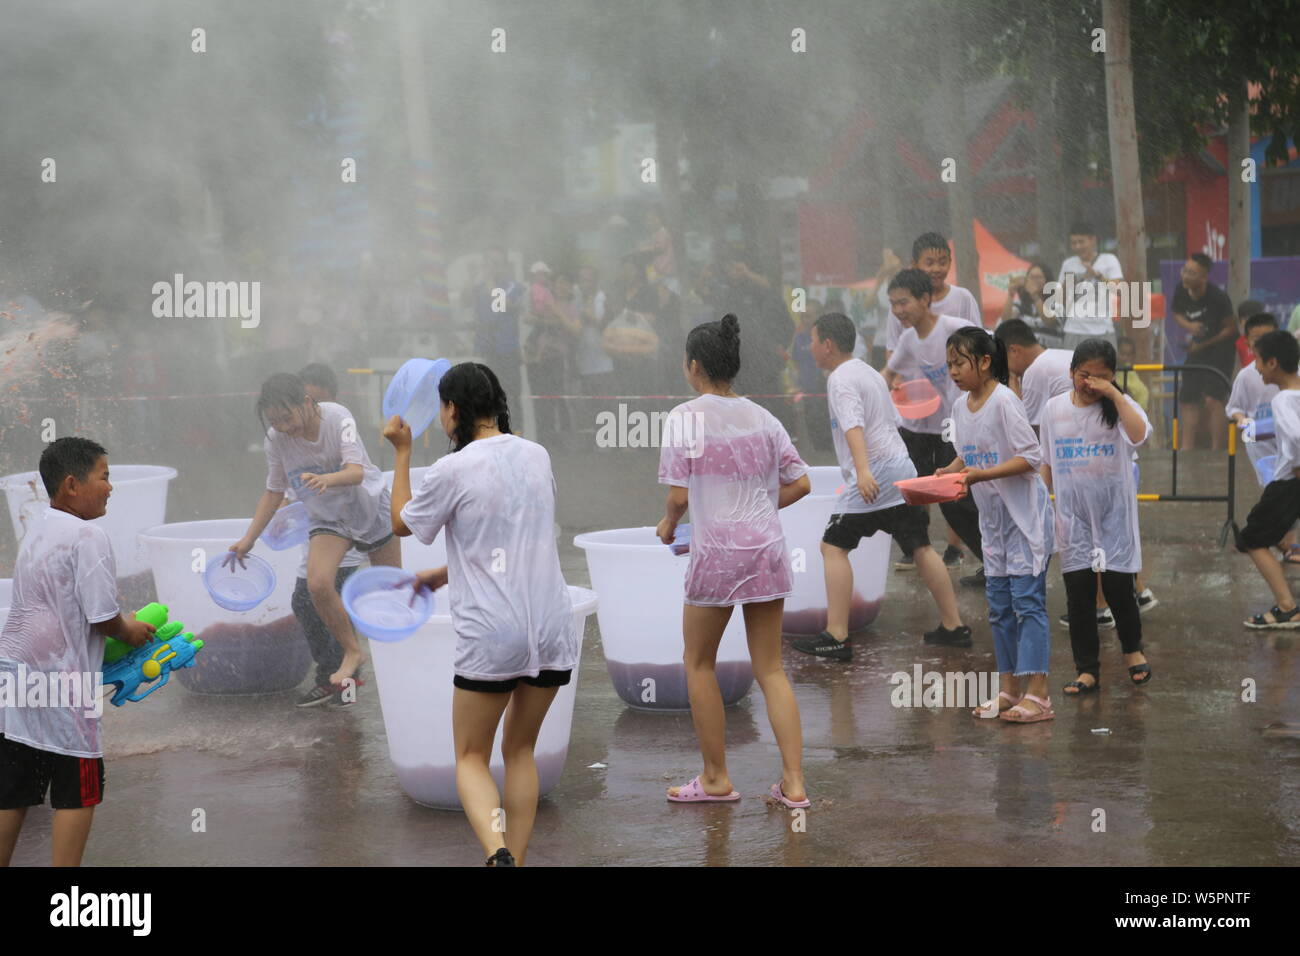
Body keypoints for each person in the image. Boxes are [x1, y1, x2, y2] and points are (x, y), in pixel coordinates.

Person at [384, 363, 573, 866]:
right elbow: (512, 541)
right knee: (520, 752)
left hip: (492, 633)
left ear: (452, 409)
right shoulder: (536, 454)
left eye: (443, 410)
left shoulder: (452, 468)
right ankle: (519, 860)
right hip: (552, 629)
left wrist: (402, 453)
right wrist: (444, 574)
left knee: (470, 756)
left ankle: (497, 853)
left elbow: (401, 522)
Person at [656, 314, 813, 808]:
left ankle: (717, 777)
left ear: (693, 366)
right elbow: (802, 482)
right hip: (766, 549)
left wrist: (665, 526)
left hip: (717, 553)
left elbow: (679, 498)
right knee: (770, 669)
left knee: (699, 662)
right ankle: (794, 784)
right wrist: (760, 510)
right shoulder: (763, 418)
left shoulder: (685, 417)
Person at [0, 438, 156, 866]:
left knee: (14, 788)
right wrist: (133, 629)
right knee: (75, 789)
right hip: (64, 685)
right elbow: (103, 616)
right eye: (104, 477)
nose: (110, 487)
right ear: (72, 484)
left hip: (16, 673)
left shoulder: (40, 527)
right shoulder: (89, 535)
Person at [792, 313, 969, 658]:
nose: (810, 348)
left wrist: (862, 471)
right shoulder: (869, 372)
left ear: (827, 344)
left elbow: (853, 426)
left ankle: (837, 635)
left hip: (875, 473)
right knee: (920, 546)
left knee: (833, 546)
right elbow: (895, 421)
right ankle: (954, 626)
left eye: (812, 341)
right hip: (900, 466)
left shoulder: (840, 379)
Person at [230, 373, 400, 687]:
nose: (283, 426)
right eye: (275, 420)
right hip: (329, 517)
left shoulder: (338, 417)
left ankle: (406, 658)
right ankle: (352, 651)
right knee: (318, 585)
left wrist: (326, 480)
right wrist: (248, 539)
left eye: (287, 416)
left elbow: (356, 471)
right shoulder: (275, 439)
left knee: (393, 592)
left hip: (368, 504)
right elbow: (274, 491)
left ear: (307, 403)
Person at [937, 327, 1054, 720]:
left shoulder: (1004, 401)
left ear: (985, 362)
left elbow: (1031, 457)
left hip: (1024, 518)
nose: (953, 371)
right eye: (949, 364)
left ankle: (1038, 696)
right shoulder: (958, 407)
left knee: (1027, 604)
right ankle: (1009, 690)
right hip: (994, 523)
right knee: (999, 608)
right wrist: (946, 473)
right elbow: (966, 454)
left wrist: (980, 475)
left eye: (960, 362)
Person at [1040, 339, 1153, 694]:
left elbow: (1140, 435)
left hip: (1113, 513)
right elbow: (1046, 460)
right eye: (1083, 375)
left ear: (1112, 377)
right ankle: (1087, 669)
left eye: (1100, 377)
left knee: (1120, 588)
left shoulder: (1119, 407)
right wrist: (1044, 505)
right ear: (1071, 372)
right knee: (1079, 594)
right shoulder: (1054, 408)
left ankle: (1132, 652)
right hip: (1073, 516)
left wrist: (1115, 396)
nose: (1089, 384)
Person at [883, 268, 985, 589]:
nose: (898, 310)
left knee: (962, 498)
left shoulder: (955, 329)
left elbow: (992, 354)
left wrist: (986, 404)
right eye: (893, 304)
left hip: (974, 421)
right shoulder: (910, 340)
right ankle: (995, 563)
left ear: (925, 299)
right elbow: (887, 373)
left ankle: (1001, 562)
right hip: (952, 425)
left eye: (904, 302)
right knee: (951, 500)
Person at [291, 363, 367, 707]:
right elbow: (288, 486)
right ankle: (338, 678)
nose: (310, 409)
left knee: (327, 603)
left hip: (344, 534)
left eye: (315, 401)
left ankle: (338, 682)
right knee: (305, 602)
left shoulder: (338, 426)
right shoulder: (294, 436)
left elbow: (356, 474)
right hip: (317, 532)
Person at [1239, 331, 1300, 628]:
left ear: (1273, 363)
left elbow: (1297, 438)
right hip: (1291, 480)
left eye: (1259, 361)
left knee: (1252, 538)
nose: (1257, 368)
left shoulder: (1282, 400)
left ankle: (1287, 607)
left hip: (1290, 481)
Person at [1170, 253, 1236, 450]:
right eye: (1185, 270)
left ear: (1204, 277)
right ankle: (1186, 449)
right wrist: (1189, 326)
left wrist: (1204, 344)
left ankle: (1217, 450)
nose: (1185, 276)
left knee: (1213, 400)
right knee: (1187, 398)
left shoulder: (1217, 297)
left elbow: (1231, 329)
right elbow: (1176, 313)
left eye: (1192, 273)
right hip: (1197, 349)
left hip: (1221, 350)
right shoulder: (1181, 290)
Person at [523, 264, 580, 446]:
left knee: (561, 398)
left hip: (561, 359)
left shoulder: (571, 306)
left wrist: (556, 312)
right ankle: (545, 438)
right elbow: (528, 318)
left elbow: (575, 329)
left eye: (566, 283)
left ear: (571, 287)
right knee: (542, 399)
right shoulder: (543, 300)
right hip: (540, 359)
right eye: (559, 283)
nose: (562, 286)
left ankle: (566, 440)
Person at [995, 319, 1072, 430]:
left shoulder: (1036, 370)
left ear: (1014, 351)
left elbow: (1025, 430)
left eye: (1003, 360)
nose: (1005, 368)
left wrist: (1012, 386)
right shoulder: (1058, 354)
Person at [1056, 223, 1123, 351]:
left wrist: (1097, 276)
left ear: (1093, 240)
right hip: (1073, 329)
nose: (1077, 246)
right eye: (1073, 243)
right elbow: (1061, 301)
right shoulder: (1068, 264)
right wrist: (1068, 285)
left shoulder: (1109, 260)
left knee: (1105, 369)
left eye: (1081, 242)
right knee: (1073, 369)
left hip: (1103, 329)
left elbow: (1119, 290)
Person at [472, 247, 525, 402]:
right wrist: (474, 277)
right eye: (488, 263)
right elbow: (465, 301)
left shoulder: (513, 286)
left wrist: (490, 283)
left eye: (496, 262)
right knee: (491, 398)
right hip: (489, 350)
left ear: (504, 265)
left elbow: (502, 305)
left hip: (508, 350)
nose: (492, 267)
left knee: (511, 398)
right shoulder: (480, 288)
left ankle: (515, 426)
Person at [999, 263, 1063, 349]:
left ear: (1047, 280)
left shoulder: (1056, 302)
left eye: (1038, 277)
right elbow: (1006, 321)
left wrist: (1035, 297)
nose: (1034, 280)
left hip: (1049, 353)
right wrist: (1011, 295)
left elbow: (1049, 321)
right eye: (1031, 277)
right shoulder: (1021, 303)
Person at [575, 265, 615, 395]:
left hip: (604, 366)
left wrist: (590, 317)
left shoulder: (604, 299)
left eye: (588, 280)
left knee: (604, 412)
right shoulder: (577, 299)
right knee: (588, 410)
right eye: (582, 280)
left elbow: (608, 327)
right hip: (583, 366)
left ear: (596, 282)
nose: (585, 284)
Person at [1234, 300, 1267, 368]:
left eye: (1250, 319)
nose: (1246, 323)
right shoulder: (1239, 342)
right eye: (1243, 319)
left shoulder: (1269, 340)